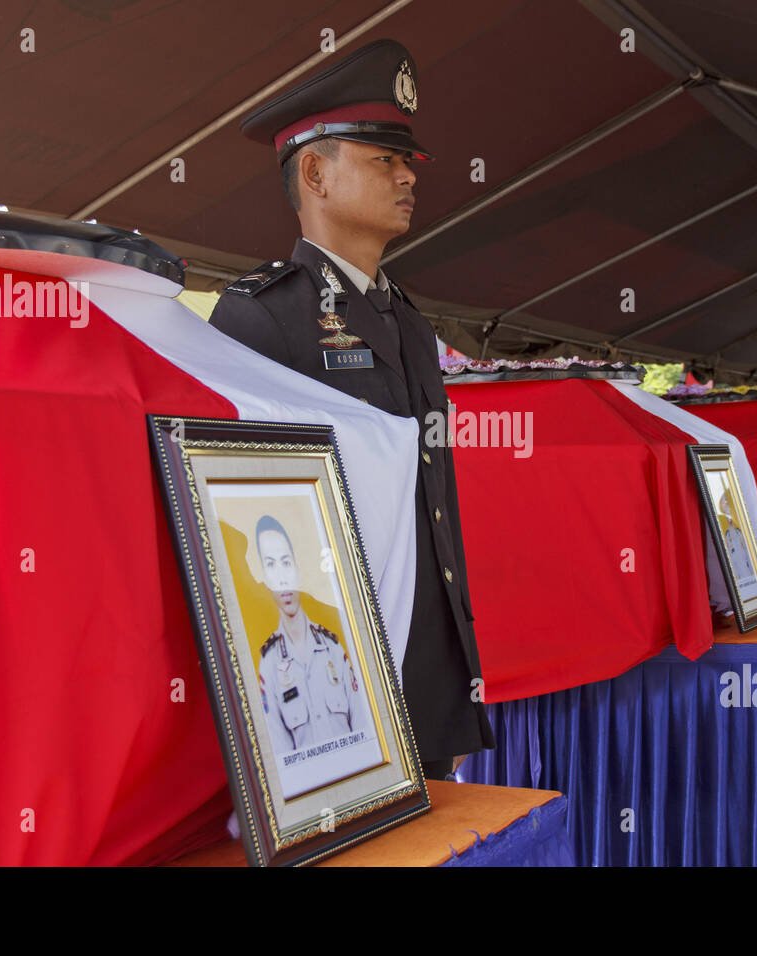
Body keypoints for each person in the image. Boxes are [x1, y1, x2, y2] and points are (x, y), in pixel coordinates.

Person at [209, 39, 493, 780]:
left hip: (429, 671)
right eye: (381, 159)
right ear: (314, 174)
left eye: (407, 163)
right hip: (332, 690)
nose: (407, 176)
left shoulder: (413, 326)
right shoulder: (263, 319)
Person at [254, 515, 364, 753]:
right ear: (263, 577)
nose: (282, 577)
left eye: (286, 562)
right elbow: (281, 755)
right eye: (271, 565)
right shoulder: (269, 665)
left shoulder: (333, 647)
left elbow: (365, 729)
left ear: (298, 570)